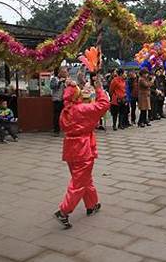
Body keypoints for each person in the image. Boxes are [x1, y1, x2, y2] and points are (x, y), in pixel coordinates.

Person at [54, 76, 110, 229]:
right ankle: (63, 211)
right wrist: (99, 88)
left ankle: (92, 204)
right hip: (83, 148)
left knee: (84, 178)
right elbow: (104, 105)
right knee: (79, 182)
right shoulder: (82, 109)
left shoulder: (66, 110)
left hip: (70, 147)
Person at [50, 67, 68, 136]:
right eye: (63, 72)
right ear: (59, 72)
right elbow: (52, 86)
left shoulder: (66, 79)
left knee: (65, 115)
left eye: (65, 72)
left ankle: (65, 129)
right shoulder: (54, 79)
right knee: (57, 115)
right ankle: (56, 130)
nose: (64, 73)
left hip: (65, 100)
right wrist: (60, 82)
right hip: (57, 99)